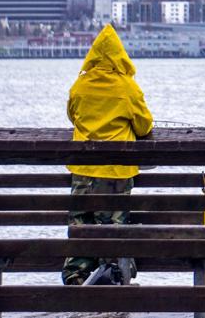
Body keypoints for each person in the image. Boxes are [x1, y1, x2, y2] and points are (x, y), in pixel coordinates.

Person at [61, 24, 155, 286]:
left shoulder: (80, 85)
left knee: (81, 225)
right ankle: (112, 278)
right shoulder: (127, 87)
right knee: (113, 227)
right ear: (120, 56)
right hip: (116, 173)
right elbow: (144, 126)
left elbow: (73, 116)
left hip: (82, 172)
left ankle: (76, 278)